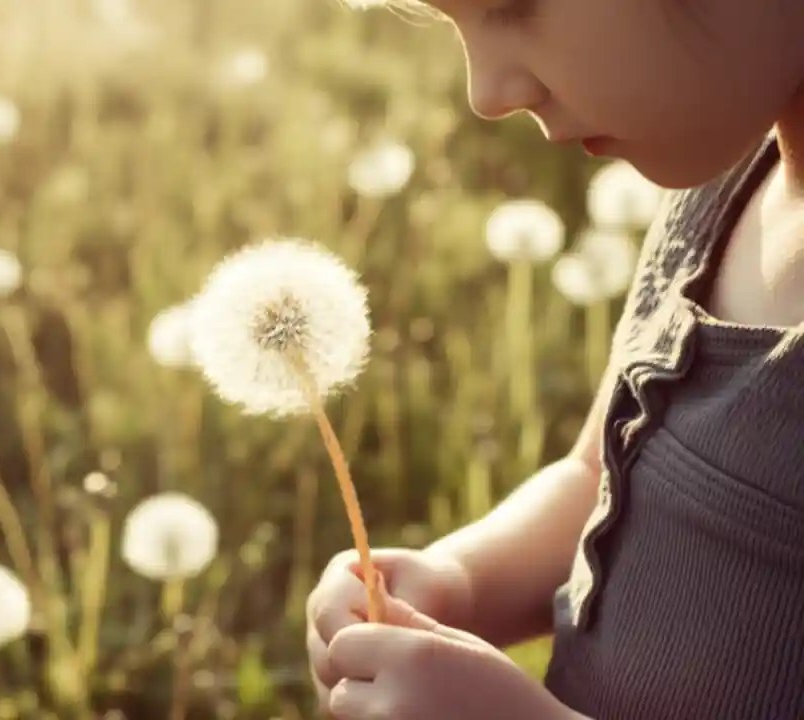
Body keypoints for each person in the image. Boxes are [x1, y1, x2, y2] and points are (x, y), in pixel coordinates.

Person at [305, 0, 804, 717]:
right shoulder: (716, 194)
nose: (485, 94)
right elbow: (602, 477)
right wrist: (460, 580)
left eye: (515, 6)